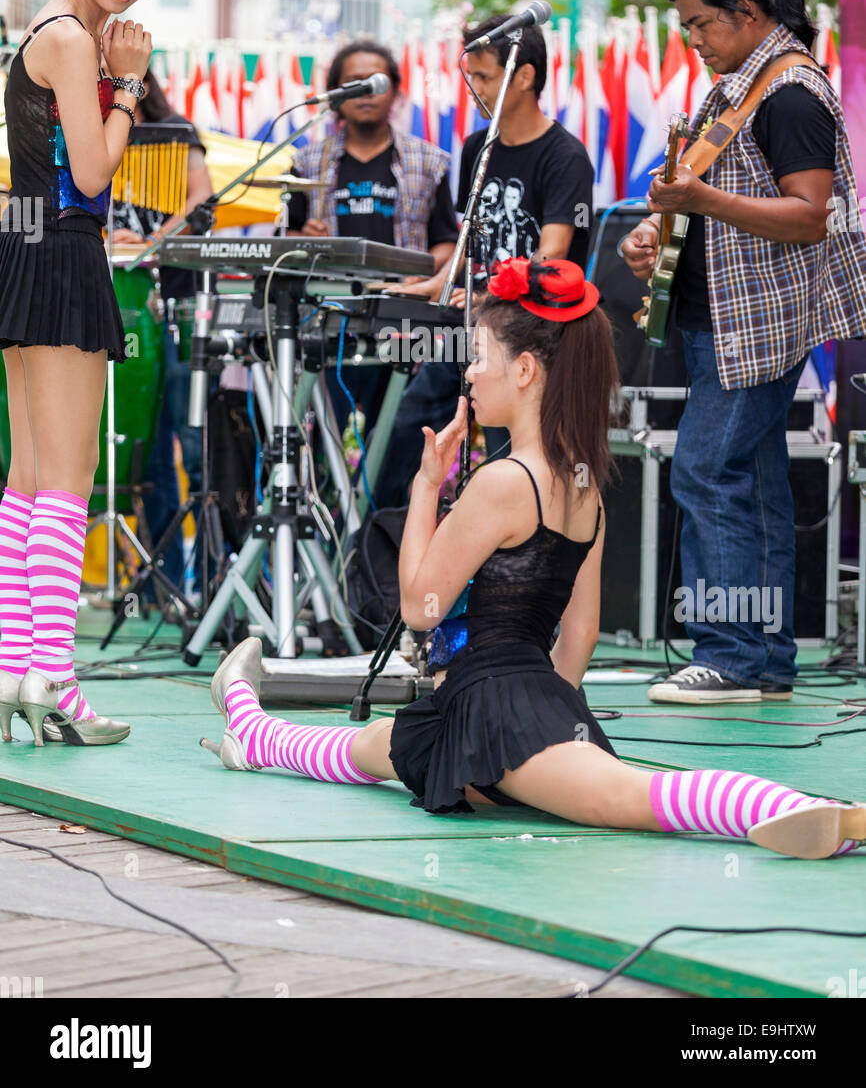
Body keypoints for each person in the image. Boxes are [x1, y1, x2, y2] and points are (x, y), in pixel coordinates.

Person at [200, 255, 864, 861]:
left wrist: (426, 487)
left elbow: (418, 608)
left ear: (524, 369)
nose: (468, 371)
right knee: (372, 749)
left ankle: (810, 814)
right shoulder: (585, 487)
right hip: (514, 699)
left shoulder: (501, 483)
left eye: (480, 354)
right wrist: (552, 710)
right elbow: (578, 636)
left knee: (616, 797)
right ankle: (245, 717)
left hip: (495, 703)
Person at [621, 0, 866, 704]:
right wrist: (654, 233)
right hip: (719, 316)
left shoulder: (790, 92)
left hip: (756, 322)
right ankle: (764, 659)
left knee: (704, 468)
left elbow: (807, 216)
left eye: (701, 24)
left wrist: (702, 205)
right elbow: (699, 194)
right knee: (754, 483)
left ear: (747, 13)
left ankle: (727, 654)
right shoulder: (735, 87)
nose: (693, 40)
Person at [0, 0, 204, 746]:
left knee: (28, 480)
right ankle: (55, 681)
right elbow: (90, 173)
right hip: (63, 251)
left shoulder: (48, 29)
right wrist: (128, 84)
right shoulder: (77, 41)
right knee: (67, 481)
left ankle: (20, 678)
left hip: (25, 249)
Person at [373, 13, 594, 508]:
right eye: (469, 75)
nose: (473, 88)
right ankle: (387, 550)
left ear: (524, 76)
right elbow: (469, 245)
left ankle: (504, 568)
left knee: (506, 458)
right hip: (466, 325)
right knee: (411, 426)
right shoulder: (478, 148)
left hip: (527, 335)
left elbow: (553, 252)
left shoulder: (565, 156)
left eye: (485, 76)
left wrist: (488, 294)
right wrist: (429, 287)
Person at [285, 39, 458, 436]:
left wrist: (426, 278)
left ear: (395, 91)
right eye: (353, 82)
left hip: (402, 321)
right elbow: (285, 237)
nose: (365, 92)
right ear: (335, 94)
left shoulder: (429, 161)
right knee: (319, 440)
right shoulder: (306, 162)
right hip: (328, 316)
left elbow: (447, 238)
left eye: (374, 82)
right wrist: (303, 236)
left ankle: (389, 502)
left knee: (397, 437)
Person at [110, 67, 214, 601]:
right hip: (113, 300)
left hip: (171, 300)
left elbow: (202, 204)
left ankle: (179, 580)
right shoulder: (91, 130)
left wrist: (147, 241)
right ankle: (153, 585)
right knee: (142, 447)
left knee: (181, 436)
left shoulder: (177, 132)